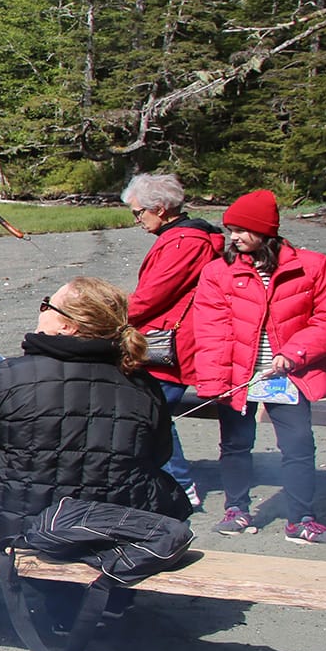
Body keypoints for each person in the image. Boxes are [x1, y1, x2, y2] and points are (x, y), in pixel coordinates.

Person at [0, 277, 192, 621]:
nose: (42, 310)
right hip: (109, 522)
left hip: (15, 519)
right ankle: (102, 596)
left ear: (66, 325)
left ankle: (68, 602)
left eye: (47, 304)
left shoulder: (8, 375)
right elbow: (159, 454)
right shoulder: (141, 383)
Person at [192, 190, 326, 543]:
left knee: (298, 445)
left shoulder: (314, 267)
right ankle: (236, 510)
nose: (233, 237)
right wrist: (215, 381)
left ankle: (302, 520)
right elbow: (209, 330)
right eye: (230, 229)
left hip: (289, 376)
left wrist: (294, 354)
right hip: (238, 375)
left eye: (242, 230)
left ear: (266, 231)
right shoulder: (218, 272)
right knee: (235, 444)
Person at [120, 173, 222, 511]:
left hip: (171, 344)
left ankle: (179, 485)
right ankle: (170, 481)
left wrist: (110, 316)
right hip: (175, 339)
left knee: (155, 414)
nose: (136, 219)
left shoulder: (184, 242)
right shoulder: (187, 237)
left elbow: (151, 297)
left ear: (160, 209)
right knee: (153, 413)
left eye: (138, 212)